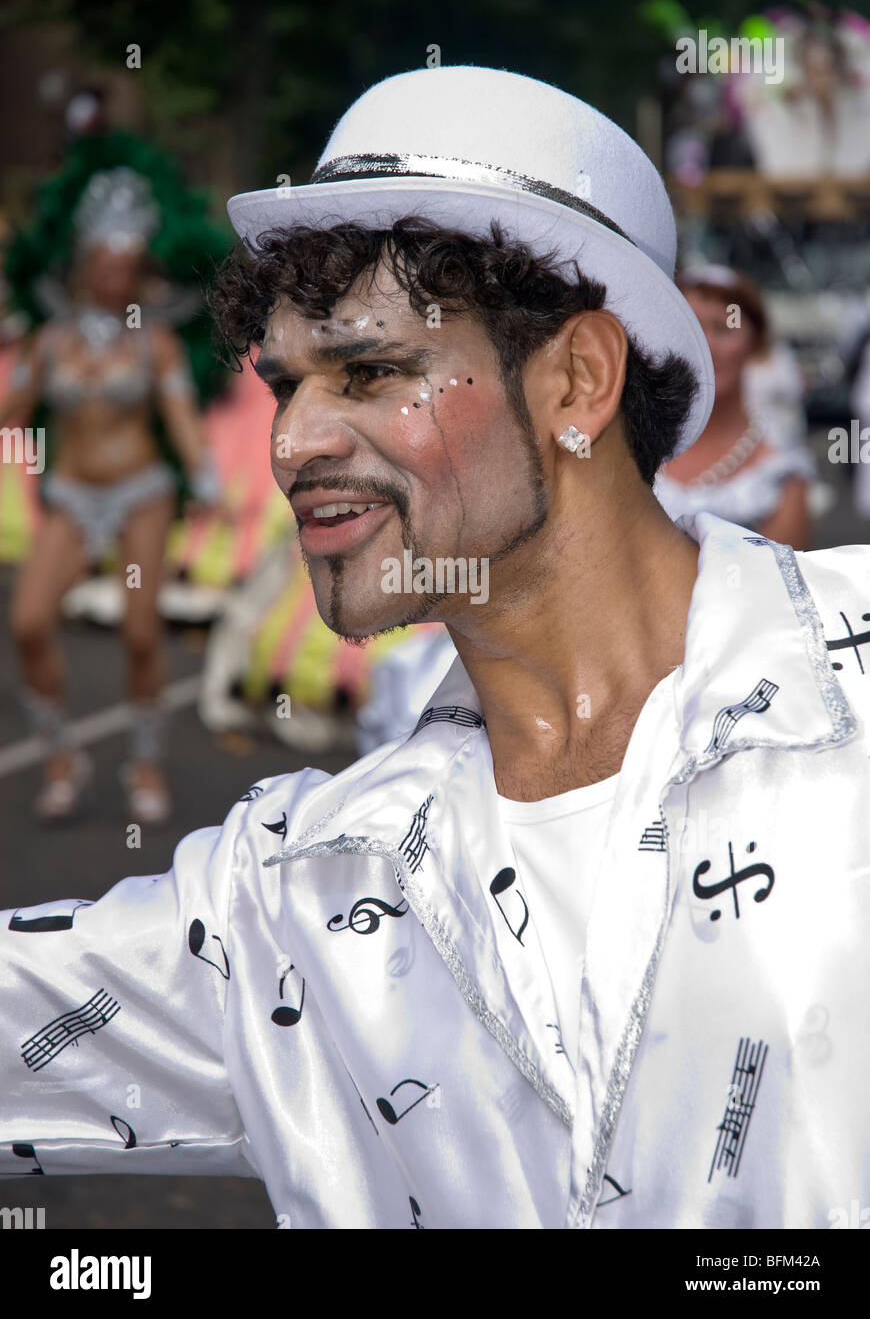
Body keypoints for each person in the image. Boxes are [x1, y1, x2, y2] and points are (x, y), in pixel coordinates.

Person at [1, 66, 868, 1230]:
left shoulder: (850, 689)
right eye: (285, 385)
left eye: (370, 371)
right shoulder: (297, 896)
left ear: (578, 379)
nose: (294, 441)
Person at [2, 168, 219, 824]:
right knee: (30, 621)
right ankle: (63, 760)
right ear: (84, 264)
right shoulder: (48, 341)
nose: (115, 280)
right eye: (105, 265)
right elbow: (13, 411)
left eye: (127, 268)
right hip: (72, 497)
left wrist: (202, 471)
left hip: (141, 495)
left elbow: (181, 417)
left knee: (140, 633)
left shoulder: (154, 343)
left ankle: (145, 764)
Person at [655, 265, 814, 548]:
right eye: (692, 327)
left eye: (723, 329)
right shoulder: (633, 440)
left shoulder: (779, 473)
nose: (706, 346)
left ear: (754, 341)